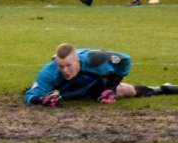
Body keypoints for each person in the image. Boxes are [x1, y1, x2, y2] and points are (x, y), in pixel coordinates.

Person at [23, 43, 178, 107]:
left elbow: (125, 60)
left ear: (78, 61)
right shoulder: (49, 72)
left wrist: (110, 87)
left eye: (69, 65)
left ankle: (161, 89)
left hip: (90, 85)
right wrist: (44, 99)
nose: (65, 70)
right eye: (61, 66)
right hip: (67, 92)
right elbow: (30, 95)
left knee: (126, 91)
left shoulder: (94, 60)